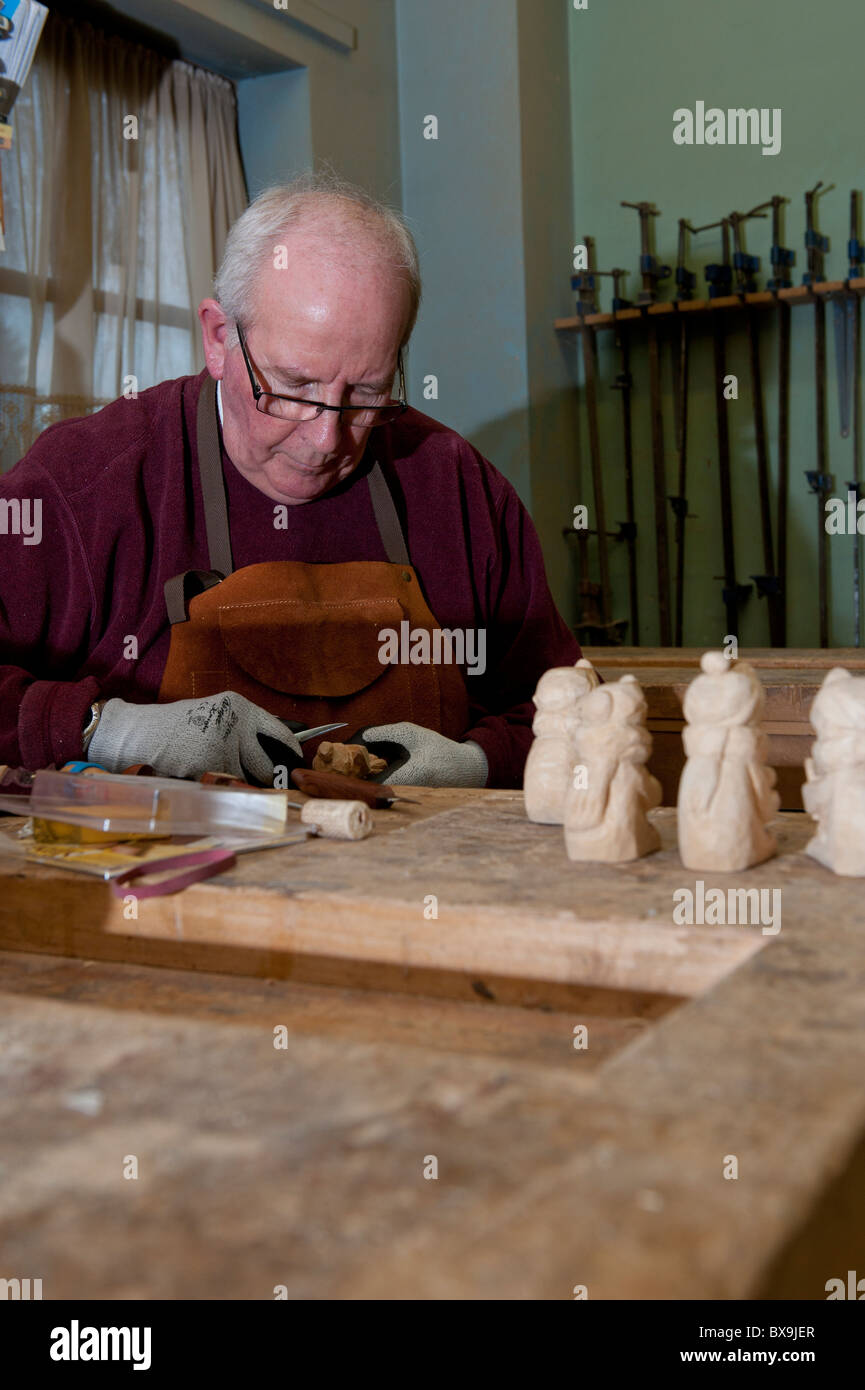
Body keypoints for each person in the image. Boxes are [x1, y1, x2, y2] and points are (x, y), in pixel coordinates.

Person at [0, 174, 580, 788]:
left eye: (366, 394)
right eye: (294, 387)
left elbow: (563, 709)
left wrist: (483, 762)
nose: (326, 439)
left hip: (412, 878)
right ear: (220, 338)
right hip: (181, 880)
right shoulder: (85, 485)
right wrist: (106, 729)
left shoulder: (457, 488)